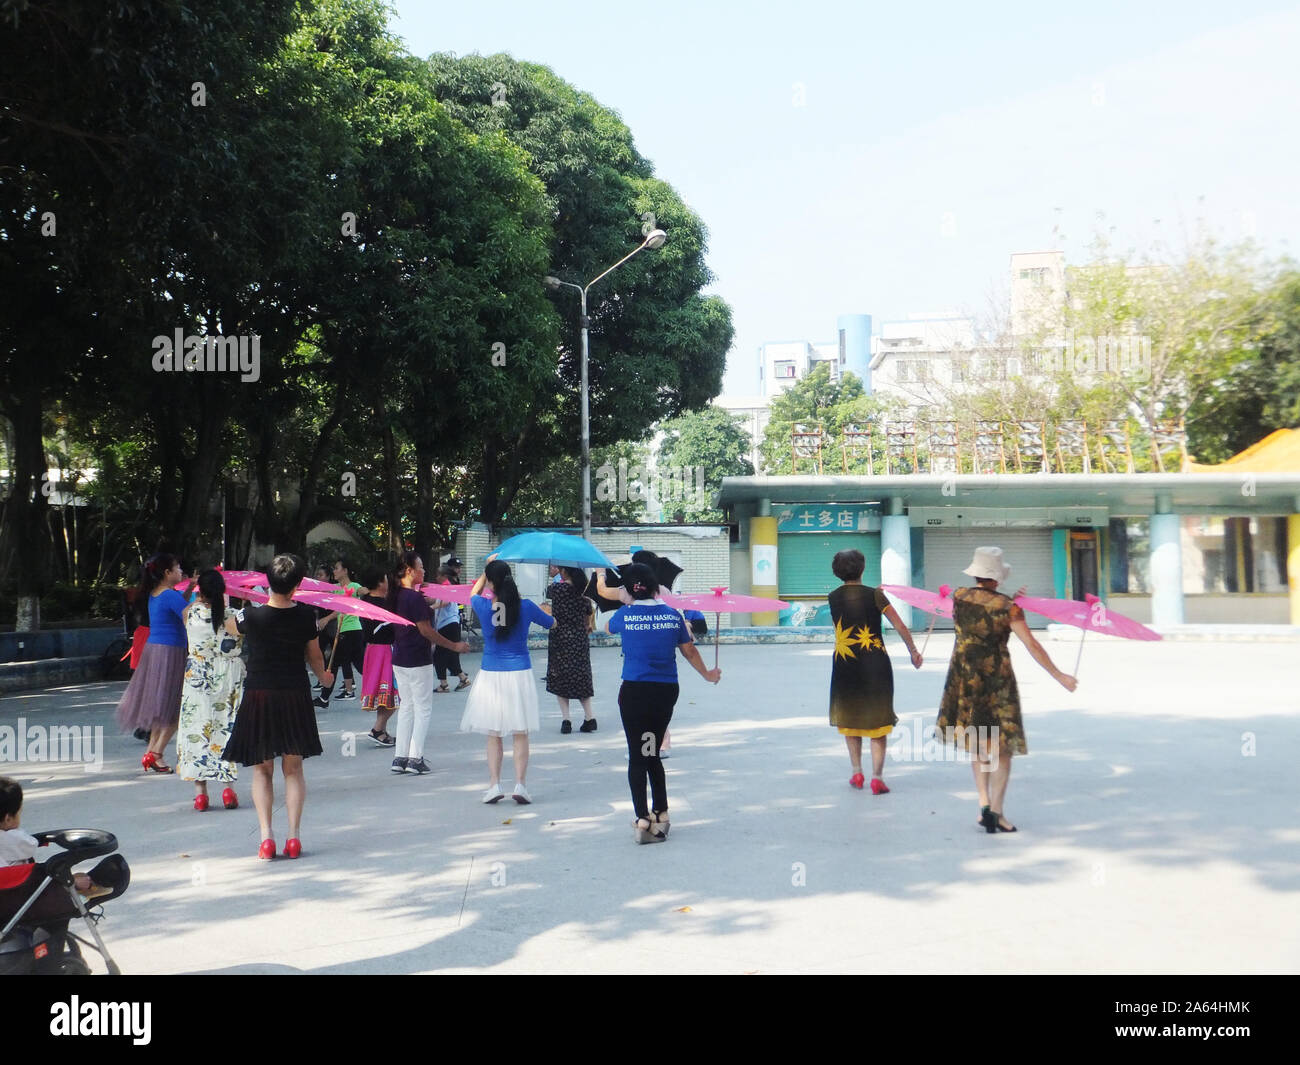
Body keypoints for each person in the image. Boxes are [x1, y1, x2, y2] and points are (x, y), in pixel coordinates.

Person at [935, 546, 1078, 833]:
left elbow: (983, 610)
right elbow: (1032, 645)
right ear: (998, 578)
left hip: (965, 677)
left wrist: (1011, 602)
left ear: (975, 573)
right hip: (996, 681)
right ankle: (998, 811)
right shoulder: (1009, 608)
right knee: (1002, 748)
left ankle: (984, 803)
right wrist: (1059, 675)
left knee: (978, 742)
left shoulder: (959, 597)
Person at [221, 554, 333, 859]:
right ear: (297, 585)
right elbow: (314, 656)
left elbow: (230, 626)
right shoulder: (306, 617)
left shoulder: (251, 617)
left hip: (259, 696)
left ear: (267, 581)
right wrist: (323, 676)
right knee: (294, 770)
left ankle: (267, 838)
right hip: (294, 694)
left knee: (262, 770)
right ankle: (294, 838)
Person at [605, 563, 720, 844]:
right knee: (652, 751)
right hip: (664, 691)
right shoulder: (672, 615)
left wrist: (625, 600)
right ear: (656, 587)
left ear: (629, 589)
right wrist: (708, 674)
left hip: (634, 692)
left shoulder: (624, 614)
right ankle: (662, 812)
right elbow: (689, 649)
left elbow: (607, 628)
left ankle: (643, 817)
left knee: (637, 755)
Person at [827, 549, 923, 795]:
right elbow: (900, 625)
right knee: (878, 720)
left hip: (845, 662)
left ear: (837, 572)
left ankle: (856, 772)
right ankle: (877, 777)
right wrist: (913, 651)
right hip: (875, 663)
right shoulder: (876, 595)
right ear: (862, 569)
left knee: (850, 716)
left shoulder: (833, 597)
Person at [460, 557, 554, 804]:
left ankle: (494, 785)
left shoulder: (482, 604)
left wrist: (484, 573)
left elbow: (472, 593)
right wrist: (545, 609)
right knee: (520, 733)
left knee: (494, 734)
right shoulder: (526, 606)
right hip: (519, 673)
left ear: (491, 581)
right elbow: (551, 623)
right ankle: (520, 785)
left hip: (491, 674)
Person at [0, 777, 129, 933]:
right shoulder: (12, 840)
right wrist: (70, 881)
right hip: (20, 903)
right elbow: (30, 852)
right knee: (117, 871)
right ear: (7, 819)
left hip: (12, 897)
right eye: (19, 813)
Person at [388, 552, 472, 775]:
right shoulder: (413, 599)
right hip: (417, 658)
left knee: (406, 706)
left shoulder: (397, 595)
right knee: (423, 708)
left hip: (400, 657)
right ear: (409, 570)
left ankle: (400, 757)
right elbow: (426, 631)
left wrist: (423, 586)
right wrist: (454, 646)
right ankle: (415, 758)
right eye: (421, 567)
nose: (424, 571)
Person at [177, 569, 245, 811]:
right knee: (225, 728)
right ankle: (228, 789)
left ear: (201, 592)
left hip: (197, 677)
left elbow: (186, 611)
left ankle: (200, 794)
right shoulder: (233, 616)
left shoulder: (192, 613)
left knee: (197, 727)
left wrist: (195, 592)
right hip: (226, 677)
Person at [115, 553, 188, 773]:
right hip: (171, 651)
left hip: (155, 650)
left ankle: (151, 751)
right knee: (175, 710)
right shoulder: (170, 596)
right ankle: (156, 755)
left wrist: (188, 589)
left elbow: (174, 607)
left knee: (162, 707)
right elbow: (189, 617)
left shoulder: (156, 594)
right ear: (167, 573)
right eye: (177, 568)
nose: (181, 571)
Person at [545, 565, 596, 733]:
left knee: (561, 678)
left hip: (560, 638)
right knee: (581, 677)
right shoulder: (584, 592)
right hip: (579, 639)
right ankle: (589, 717)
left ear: (565, 571)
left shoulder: (556, 589)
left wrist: (551, 575)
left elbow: (547, 594)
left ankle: (566, 720)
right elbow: (588, 612)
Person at [314, 559, 366, 707]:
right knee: (359, 665)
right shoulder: (337, 589)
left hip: (351, 632)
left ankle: (324, 698)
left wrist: (370, 592)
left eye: (337, 568)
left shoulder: (353, 586)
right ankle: (386, 686)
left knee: (334, 663)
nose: (334, 571)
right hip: (347, 632)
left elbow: (362, 591)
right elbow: (334, 603)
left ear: (345, 571)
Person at [357, 565, 398, 747]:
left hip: (373, 650)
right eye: (386, 579)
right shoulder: (382, 606)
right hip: (384, 651)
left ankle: (382, 729)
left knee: (386, 693)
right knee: (394, 692)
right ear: (381, 583)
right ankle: (378, 729)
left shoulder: (366, 600)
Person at [432, 558, 471, 693]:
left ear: (444, 576)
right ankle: (461, 678)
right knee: (448, 654)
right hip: (449, 624)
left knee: (439, 655)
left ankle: (444, 684)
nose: (436, 577)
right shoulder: (446, 586)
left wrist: (432, 607)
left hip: (448, 624)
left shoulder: (447, 586)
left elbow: (446, 602)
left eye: (438, 575)